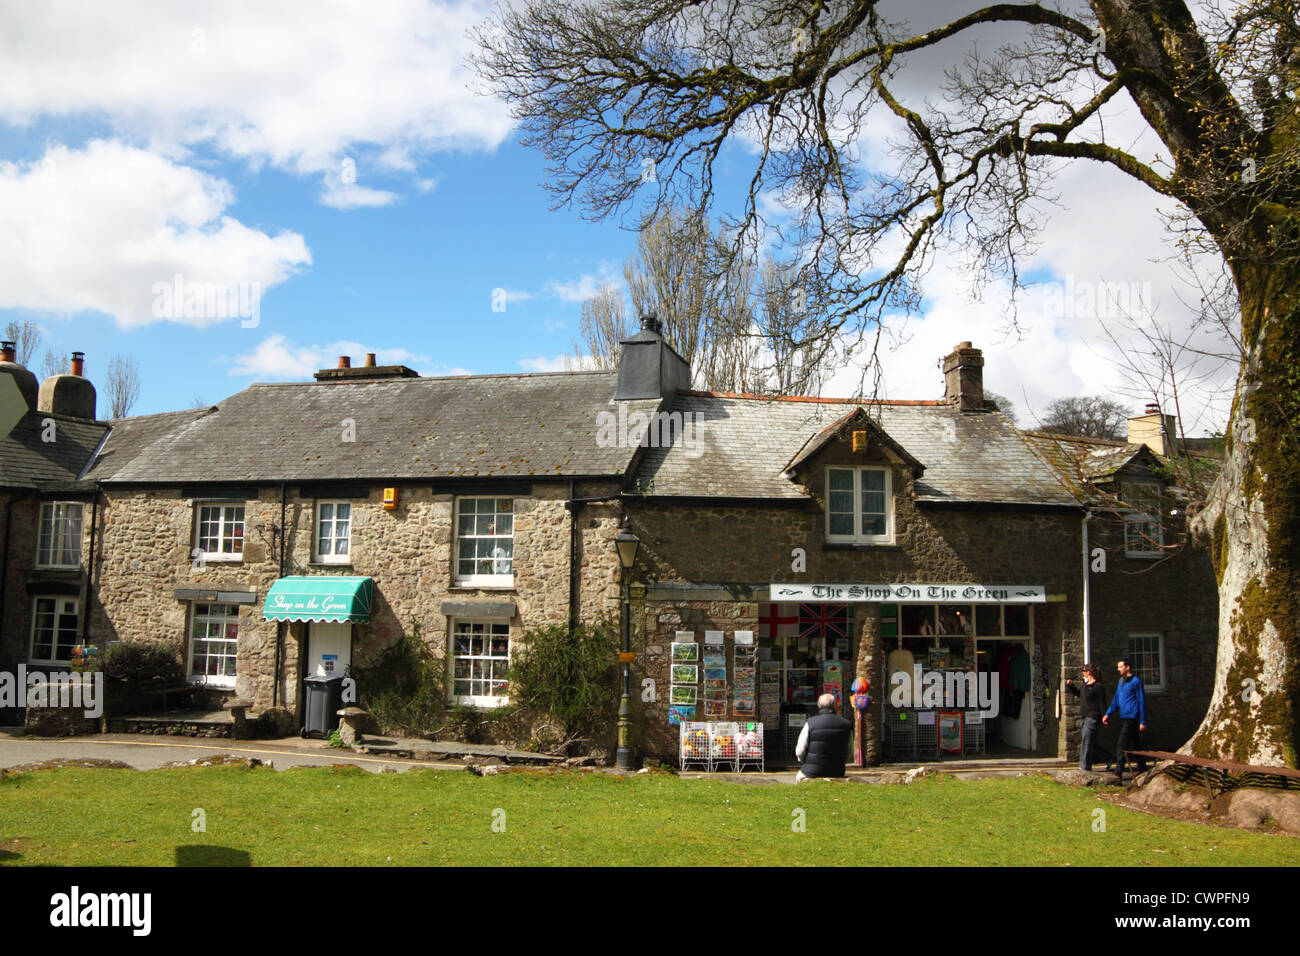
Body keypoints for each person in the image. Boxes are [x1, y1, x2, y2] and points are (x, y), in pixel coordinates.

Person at [1102, 658, 1148, 782]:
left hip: (1132, 716)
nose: (1118, 669)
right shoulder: (1120, 681)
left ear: (1127, 667)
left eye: (1120, 667)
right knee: (1135, 744)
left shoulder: (1136, 681)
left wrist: (1142, 721)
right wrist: (1108, 714)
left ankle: (1119, 769)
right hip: (1124, 715)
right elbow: (1116, 700)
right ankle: (1142, 767)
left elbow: (1141, 701)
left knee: (1121, 743)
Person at [795, 693, 853, 782]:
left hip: (811, 771)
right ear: (834, 705)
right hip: (837, 771)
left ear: (819, 705)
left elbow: (800, 751)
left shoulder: (810, 723)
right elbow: (849, 752)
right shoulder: (846, 724)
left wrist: (804, 761)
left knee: (799, 777)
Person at [1065, 663, 1109, 772]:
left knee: (1087, 741)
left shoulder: (1098, 686)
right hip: (1084, 717)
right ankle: (1109, 757)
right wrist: (1071, 686)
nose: (1082, 672)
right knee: (1088, 741)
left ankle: (1084, 767)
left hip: (1093, 717)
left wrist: (1105, 716)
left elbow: (1102, 703)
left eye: (1084, 670)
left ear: (1089, 672)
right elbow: (1080, 694)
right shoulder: (1086, 685)